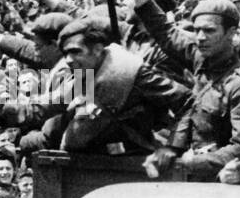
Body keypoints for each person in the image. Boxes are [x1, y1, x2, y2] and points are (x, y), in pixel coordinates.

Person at [125, 0, 240, 179]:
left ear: (230, 33)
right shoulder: (201, 60)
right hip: (193, 172)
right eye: (197, 30)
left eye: (209, 31)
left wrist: (194, 162)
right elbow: (164, 30)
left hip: (223, 181)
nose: (200, 37)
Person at [22, 16, 187, 156]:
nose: (69, 60)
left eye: (75, 51)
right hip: (90, 156)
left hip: (131, 161)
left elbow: (186, 101)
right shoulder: (86, 72)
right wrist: (8, 109)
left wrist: (174, 146)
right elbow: (52, 102)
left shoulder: (135, 73)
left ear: (98, 49)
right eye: (66, 54)